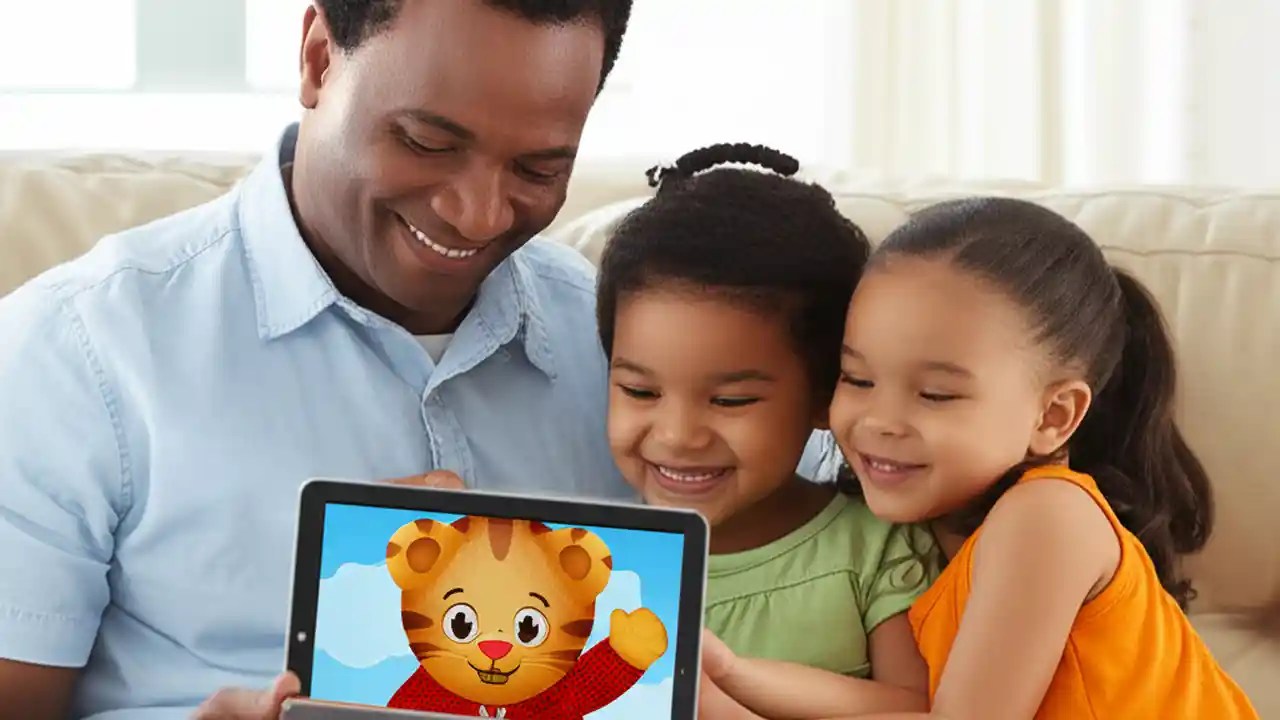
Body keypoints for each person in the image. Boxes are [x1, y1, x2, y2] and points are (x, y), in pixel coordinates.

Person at [0, 0, 713, 717]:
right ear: (317, 57)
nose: (479, 215)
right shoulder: (77, 349)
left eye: (537, 168)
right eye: (427, 143)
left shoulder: (634, 350)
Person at [733, 196, 1256, 719]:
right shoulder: (911, 537)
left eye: (936, 394)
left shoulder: (1048, 516)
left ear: (1053, 416)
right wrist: (729, 674)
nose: (878, 420)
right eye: (858, 379)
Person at [596, 143, 939, 718]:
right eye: (640, 392)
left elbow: (918, 709)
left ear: (827, 392)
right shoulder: (588, 560)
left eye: (730, 400)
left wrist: (728, 686)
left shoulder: (877, 551)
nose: (677, 435)